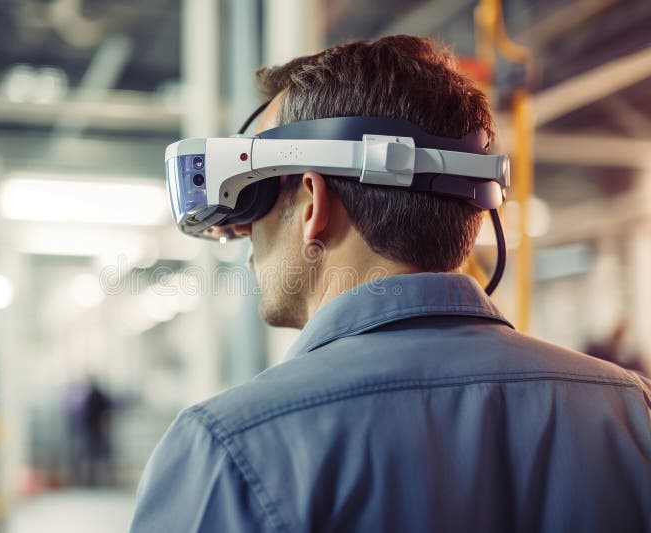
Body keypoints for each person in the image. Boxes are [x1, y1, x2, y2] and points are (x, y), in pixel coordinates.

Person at [130, 36, 651, 532]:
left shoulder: (231, 449)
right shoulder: (629, 411)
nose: (244, 229)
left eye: (257, 196)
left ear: (311, 203)